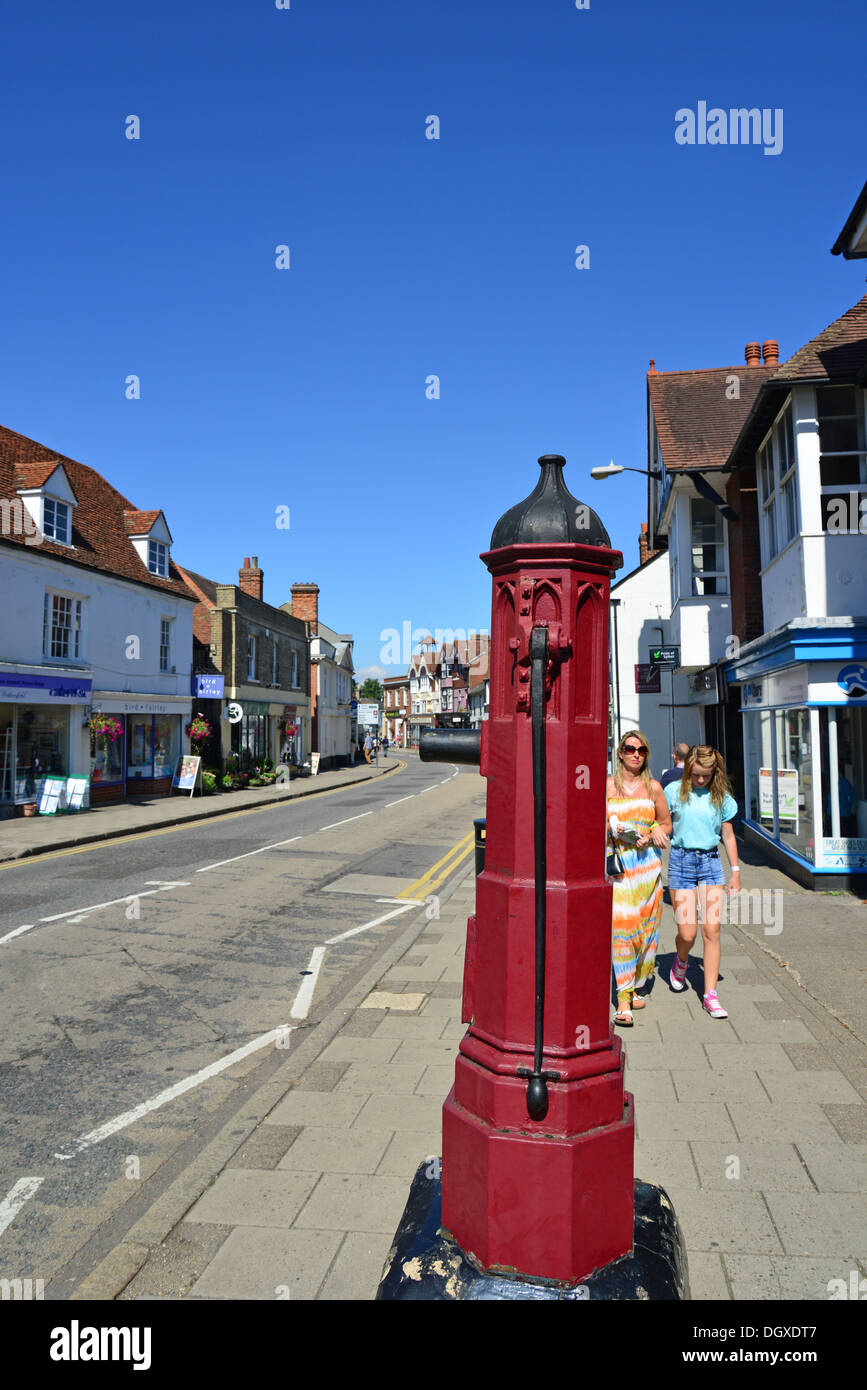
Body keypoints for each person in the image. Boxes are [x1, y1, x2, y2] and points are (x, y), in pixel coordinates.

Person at [664, 745, 740, 1019]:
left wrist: (736, 872)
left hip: (710, 864)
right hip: (681, 863)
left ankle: (710, 995)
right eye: (695, 774)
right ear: (688, 770)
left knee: (712, 931)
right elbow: (661, 822)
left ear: (714, 773)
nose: (700, 780)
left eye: (705, 776)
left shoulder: (721, 797)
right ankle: (680, 961)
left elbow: (728, 836)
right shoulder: (673, 791)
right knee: (688, 933)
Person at [606, 730, 672, 1027]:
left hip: (648, 870)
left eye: (641, 750)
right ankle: (623, 997)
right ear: (620, 752)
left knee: (647, 932)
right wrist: (617, 830)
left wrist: (657, 828)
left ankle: (637, 981)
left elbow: (667, 823)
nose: (636, 754)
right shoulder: (607, 786)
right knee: (623, 929)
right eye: (630, 749)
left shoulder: (654, 787)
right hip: (620, 868)